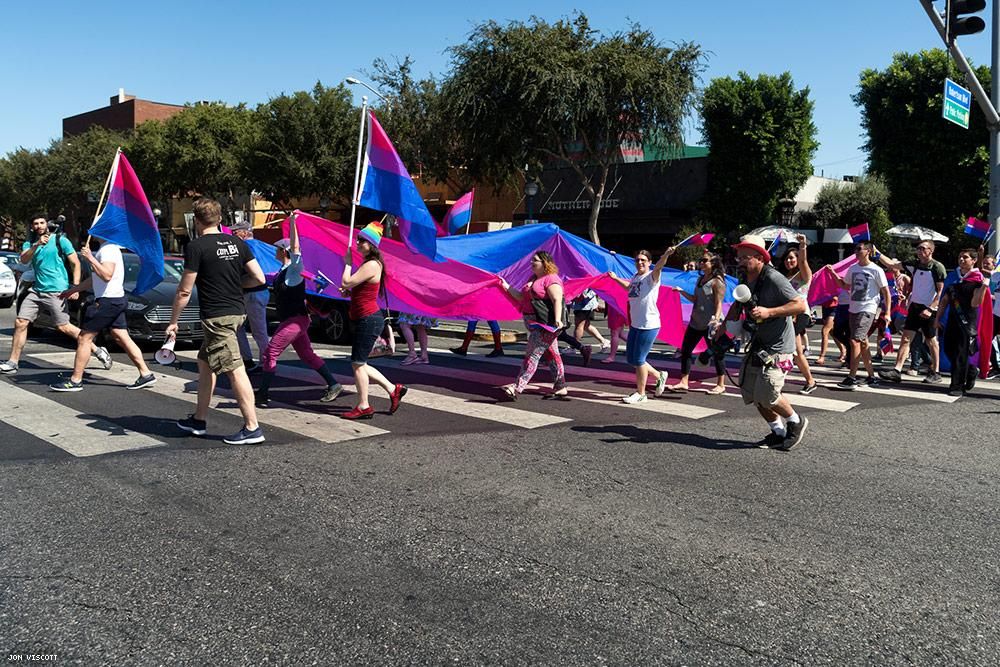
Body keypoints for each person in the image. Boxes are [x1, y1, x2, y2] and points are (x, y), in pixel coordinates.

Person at [168, 198, 266, 445]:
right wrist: (236, 285)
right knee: (205, 364)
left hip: (217, 317)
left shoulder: (196, 246)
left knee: (235, 370)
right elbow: (259, 278)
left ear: (196, 221)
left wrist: (173, 321)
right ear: (220, 219)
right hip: (236, 311)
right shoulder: (237, 243)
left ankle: (252, 427)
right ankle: (199, 420)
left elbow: (184, 290)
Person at [719, 234, 809, 450]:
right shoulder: (745, 279)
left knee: (768, 394)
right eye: (739, 257)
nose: (740, 261)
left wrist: (770, 312)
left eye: (745, 257)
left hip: (778, 346)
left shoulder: (774, 278)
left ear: (760, 258)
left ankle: (796, 421)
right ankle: (777, 431)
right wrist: (722, 330)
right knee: (751, 392)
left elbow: (799, 305)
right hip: (758, 344)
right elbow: (737, 306)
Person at [0, 215, 112, 375]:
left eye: (42, 223)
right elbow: (24, 260)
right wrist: (36, 245)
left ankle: (98, 350)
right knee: (21, 322)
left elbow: (75, 263)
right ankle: (13, 362)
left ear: (46, 224)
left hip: (57, 291)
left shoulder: (61, 241)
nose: (39, 226)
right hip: (36, 291)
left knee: (63, 326)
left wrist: (75, 287)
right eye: (36, 224)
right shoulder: (29, 244)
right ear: (32, 227)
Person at [254, 216, 343, 407]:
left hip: (294, 321)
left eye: (277, 248)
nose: (275, 251)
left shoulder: (294, 270)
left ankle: (262, 393)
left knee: (270, 353)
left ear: (283, 251)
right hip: (296, 320)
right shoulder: (283, 271)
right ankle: (333, 384)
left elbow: (295, 249)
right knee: (307, 355)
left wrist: (294, 223)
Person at [48, 239, 157, 392]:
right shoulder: (107, 248)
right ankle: (146, 374)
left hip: (108, 301)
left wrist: (90, 258)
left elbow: (106, 275)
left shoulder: (108, 250)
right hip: (115, 299)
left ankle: (75, 381)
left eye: (94, 228)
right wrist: (73, 290)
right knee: (121, 336)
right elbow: (95, 278)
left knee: (84, 338)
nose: (91, 230)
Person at [339, 221, 406, 420]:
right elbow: (357, 289)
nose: (358, 243)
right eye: (358, 239)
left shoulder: (372, 264)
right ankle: (393, 389)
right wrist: (349, 293)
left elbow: (346, 281)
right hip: (366, 317)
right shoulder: (369, 264)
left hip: (368, 319)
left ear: (372, 245)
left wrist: (348, 263)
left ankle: (364, 406)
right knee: (359, 363)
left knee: (357, 364)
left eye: (362, 240)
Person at [498, 250, 568, 400]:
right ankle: (560, 386)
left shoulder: (551, 279)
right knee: (552, 355)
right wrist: (505, 286)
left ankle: (517, 387)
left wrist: (558, 319)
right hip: (535, 323)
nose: (531, 263)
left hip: (546, 325)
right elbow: (521, 297)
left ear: (545, 263)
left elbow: (557, 299)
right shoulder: (534, 278)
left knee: (532, 355)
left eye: (535, 260)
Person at [877, 240, 947, 384]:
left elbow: (941, 292)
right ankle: (897, 370)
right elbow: (891, 265)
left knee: (931, 340)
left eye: (923, 248)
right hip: (914, 308)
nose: (919, 251)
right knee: (906, 339)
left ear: (931, 251)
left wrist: (930, 308)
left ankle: (936, 372)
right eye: (918, 248)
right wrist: (876, 252)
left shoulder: (937, 267)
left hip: (928, 309)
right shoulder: (914, 264)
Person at [607, 248, 670, 403]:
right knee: (632, 359)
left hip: (649, 324)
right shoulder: (636, 277)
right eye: (637, 260)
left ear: (649, 262)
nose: (640, 262)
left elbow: (659, 267)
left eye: (643, 260)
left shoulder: (652, 276)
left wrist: (666, 255)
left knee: (639, 360)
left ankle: (641, 394)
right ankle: (659, 375)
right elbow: (629, 288)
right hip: (635, 324)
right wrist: (615, 278)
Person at [824, 242, 890, 390]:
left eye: (860, 249)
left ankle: (852, 377)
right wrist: (833, 273)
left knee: (855, 341)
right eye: (856, 249)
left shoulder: (876, 270)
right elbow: (845, 286)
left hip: (867, 309)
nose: (857, 251)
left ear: (868, 251)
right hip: (853, 309)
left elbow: (886, 292)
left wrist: (887, 312)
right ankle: (871, 377)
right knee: (863, 343)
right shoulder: (853, 268)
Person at [669, 250, 726, 394]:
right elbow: (695, 299)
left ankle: (721, 384)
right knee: (686, 350)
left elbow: (719, 303)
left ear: (713, 263)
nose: (701, 263)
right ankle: (684, 381)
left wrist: (716, 320)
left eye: (704, 260)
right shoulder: (700, 279)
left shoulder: (717, 282)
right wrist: (681, 291)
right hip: (695, 322)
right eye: (700, 260)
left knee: (717, 353)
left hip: (710, 324)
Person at [937, 248, 989, 397]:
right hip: (952, 320)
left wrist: (984, 286)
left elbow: (975, 303)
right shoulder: (954, 278)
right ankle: (970, 370)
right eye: (960, 256)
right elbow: (945, 300)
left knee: (960, 354)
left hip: (967, 322)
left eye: (965, 257)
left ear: (973, 261)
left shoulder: (977, 280)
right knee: (949, 350)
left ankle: (957, 385)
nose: (961, 259)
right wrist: (937, 318)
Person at [231, 221, 270, 373]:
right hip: (255, 293)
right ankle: (254, 360)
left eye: (236, 232)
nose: (233, 234)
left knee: (255, 329)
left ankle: (264, 362)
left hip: (252, 293)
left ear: (245, 232)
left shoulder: (247, 247)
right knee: (249, 328)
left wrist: (238, 282)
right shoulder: (260, 246)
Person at [782, 235, 818, 393]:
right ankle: (809, 381)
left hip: (801, 313)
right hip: (787, 314)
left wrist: (802, 245)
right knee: (794, 351)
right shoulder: (785, 277)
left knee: (795, 350)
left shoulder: (804, 275)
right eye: (786, 258)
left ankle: (810, 381)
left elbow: (803, 262)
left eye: (791, 258)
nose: (788, 261)